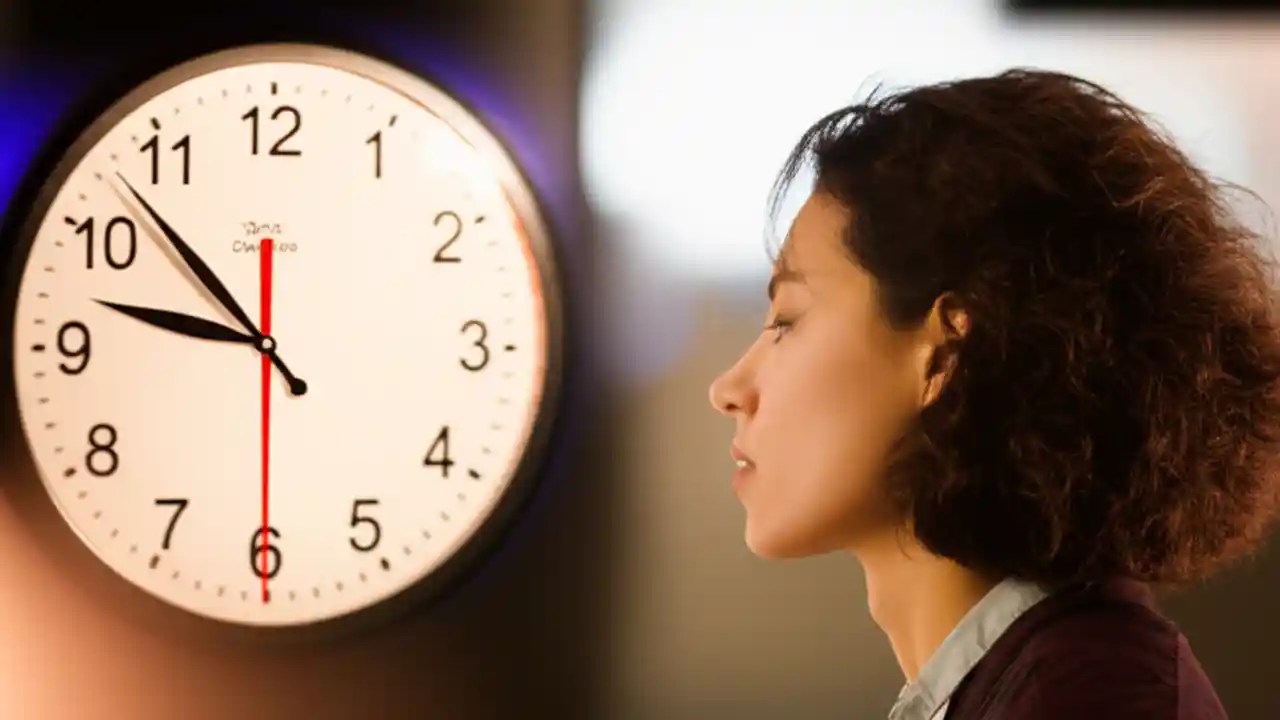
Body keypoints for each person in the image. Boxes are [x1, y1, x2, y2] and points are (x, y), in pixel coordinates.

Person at [708, 68, 1280, 719]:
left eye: (786, 321)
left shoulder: (1093, 701)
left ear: (945, 354)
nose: (728, 389)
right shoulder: (1051, 678)